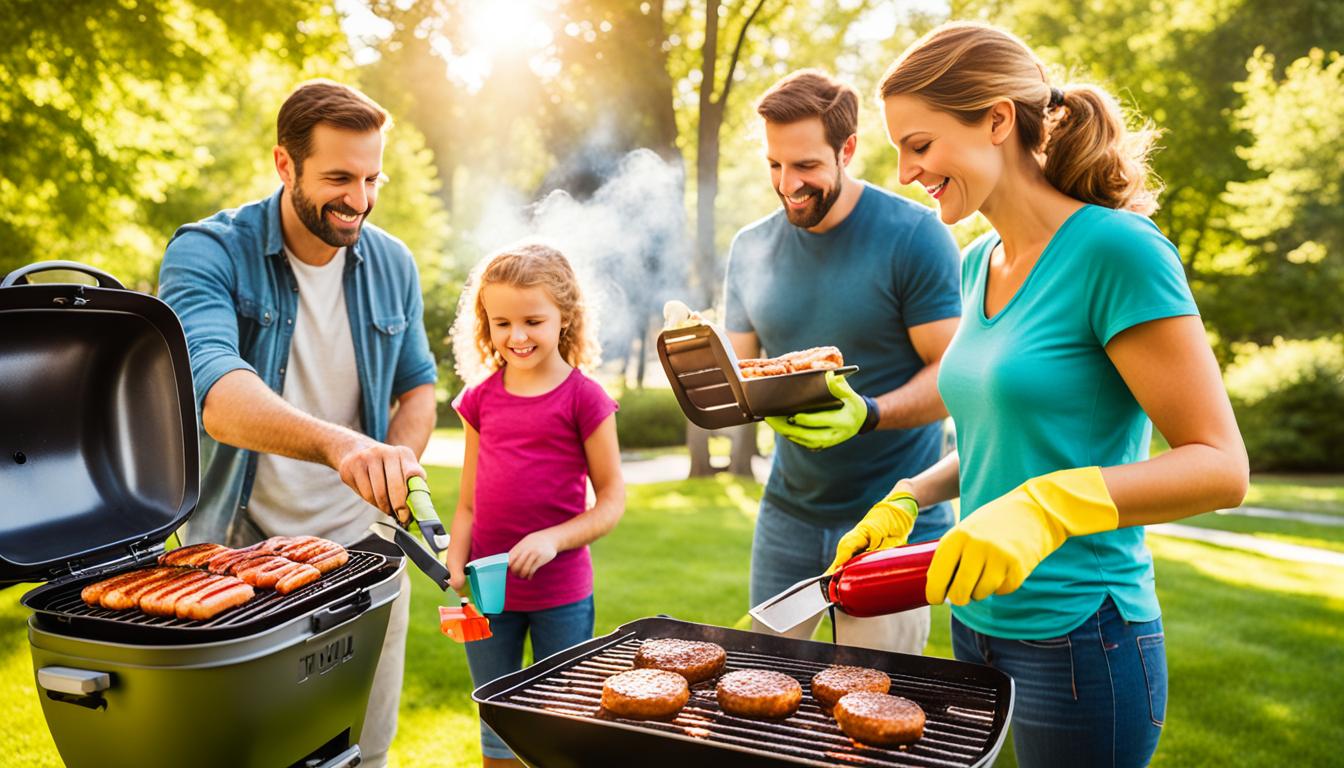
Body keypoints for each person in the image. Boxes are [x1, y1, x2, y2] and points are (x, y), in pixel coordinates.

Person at [833, 22, 1249, 767]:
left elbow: (1221, 466)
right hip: (974, 615)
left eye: (920, 145)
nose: (903, 172)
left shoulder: (1117, 251)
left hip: (1085, 634)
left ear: (997, 120)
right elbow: (1006, 433)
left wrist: (1046, 506)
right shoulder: (976, 263)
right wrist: (909, 494)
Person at [158, 80, 438, 768]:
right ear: (284, 165)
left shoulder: (392, 262)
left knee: (363, 753)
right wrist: (342, 447)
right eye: (339, 177)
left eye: (373, 177)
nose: (360, 200)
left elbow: (419, 388)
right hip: (237, 556)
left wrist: (393, 467)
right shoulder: (207, 253)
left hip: (365, 550)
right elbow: (217, 398)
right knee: (252, 756)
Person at [724, 69, 962, 654]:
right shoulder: (750, 247)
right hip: (787, 513)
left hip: (893, 518)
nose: (787, 184)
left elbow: (954, 376)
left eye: (805, 166)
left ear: (848, 149)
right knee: (767, 688)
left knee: (869, 702)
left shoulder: (915, 237)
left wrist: (870, 412)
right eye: (775, 165)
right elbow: (740, 371)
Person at [447, 242, 625, 767]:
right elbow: (467, 506)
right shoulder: (480, 399)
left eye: (532, 320)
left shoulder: (584, 399)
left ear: (564, 318)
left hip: (562, 594)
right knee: (497, 723)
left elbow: (611, 500)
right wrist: (455, 562)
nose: (516, 336)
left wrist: (552, 539)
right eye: (501, 323)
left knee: (557, 723)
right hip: (487, 592)